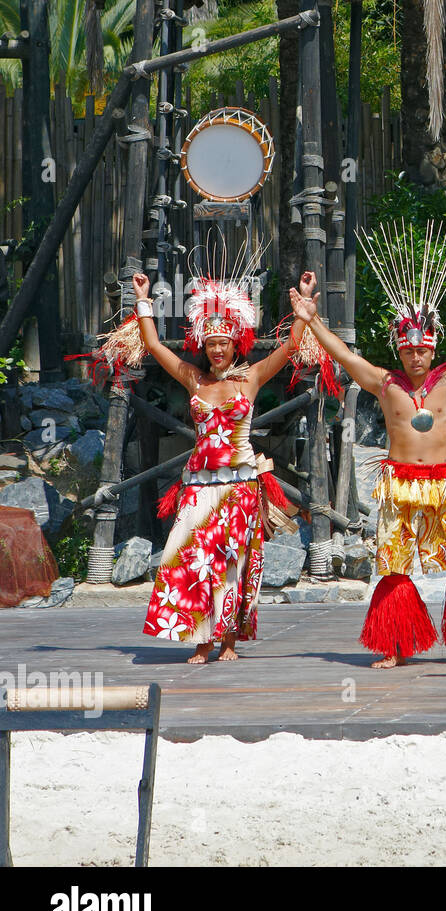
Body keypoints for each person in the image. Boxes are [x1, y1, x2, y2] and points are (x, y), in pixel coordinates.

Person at [290, 224, 446, 668]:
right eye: (408, 351)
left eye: (422, 351)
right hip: (399, 484)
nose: (415, 357)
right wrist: (312, 320)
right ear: (400, 350)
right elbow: (344, 357)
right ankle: (396, 646)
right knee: (394, 564)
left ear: (433, 347)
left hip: (442, 483)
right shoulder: (385, 384)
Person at [134, 268, 305, 663]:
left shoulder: (251, 379)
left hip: (239, 487)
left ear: (236, 344)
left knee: (231, 563)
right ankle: (200, 637)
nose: (217, 350)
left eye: (223, 343)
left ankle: (226, 640)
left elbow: (292, 346)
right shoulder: (195, 380)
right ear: (203, 346)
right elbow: (155, 345)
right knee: (187, 554)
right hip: (197, 484)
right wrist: (142, 299)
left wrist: (303, 309)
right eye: (211, 343)